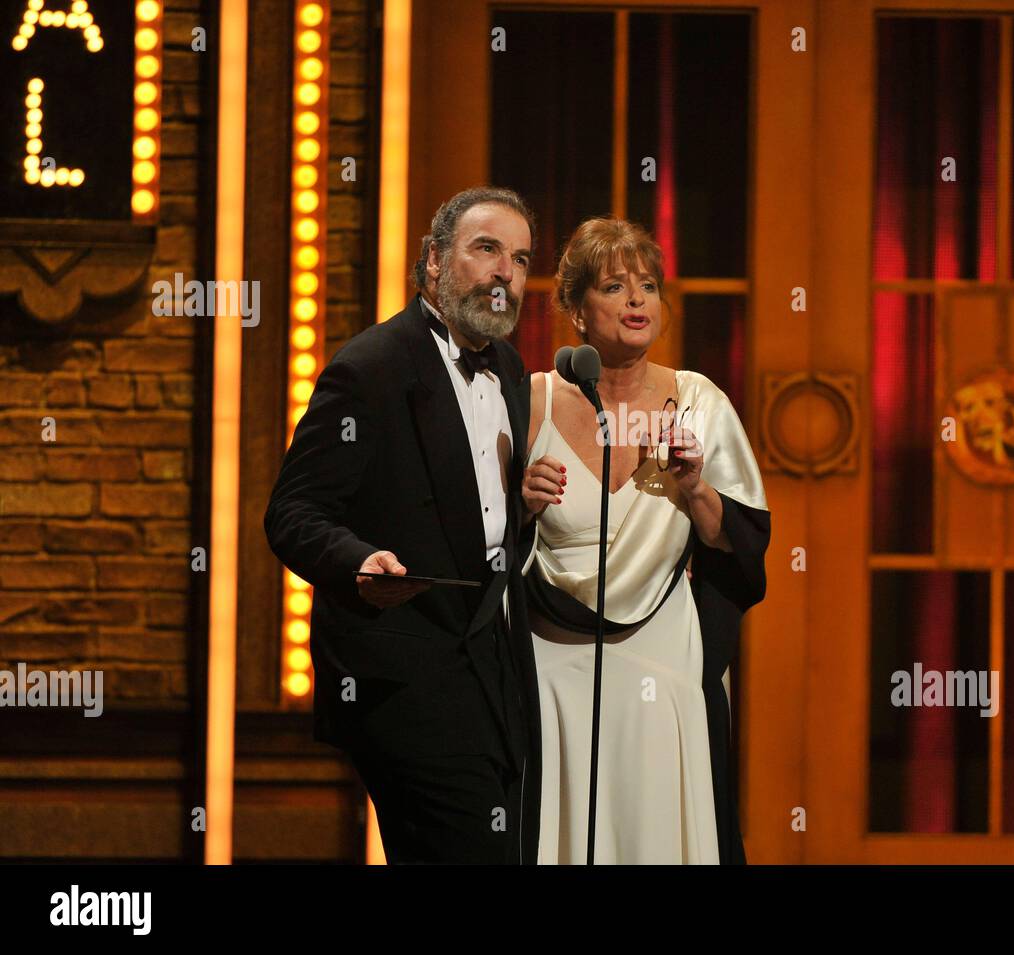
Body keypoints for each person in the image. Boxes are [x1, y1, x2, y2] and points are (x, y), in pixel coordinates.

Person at [264, 186, 542, 864]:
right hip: (402, 672)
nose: (507, 272)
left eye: (522, 258)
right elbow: (293, 511)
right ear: (432, 264)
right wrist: (357, 559)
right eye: (486, 250)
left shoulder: (508, 368)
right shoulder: (372, 368)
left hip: (488, 674)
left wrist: (527, 503)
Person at [520, 216, 770, 864]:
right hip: (552, 668)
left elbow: (741, 548)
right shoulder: (532, 404)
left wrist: (695, 489)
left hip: (664, 664)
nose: (637, 301)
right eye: (613, 286)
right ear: (576, 308)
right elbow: (480, 539)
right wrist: (522, 506)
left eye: (649, 286)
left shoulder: (700, 403)